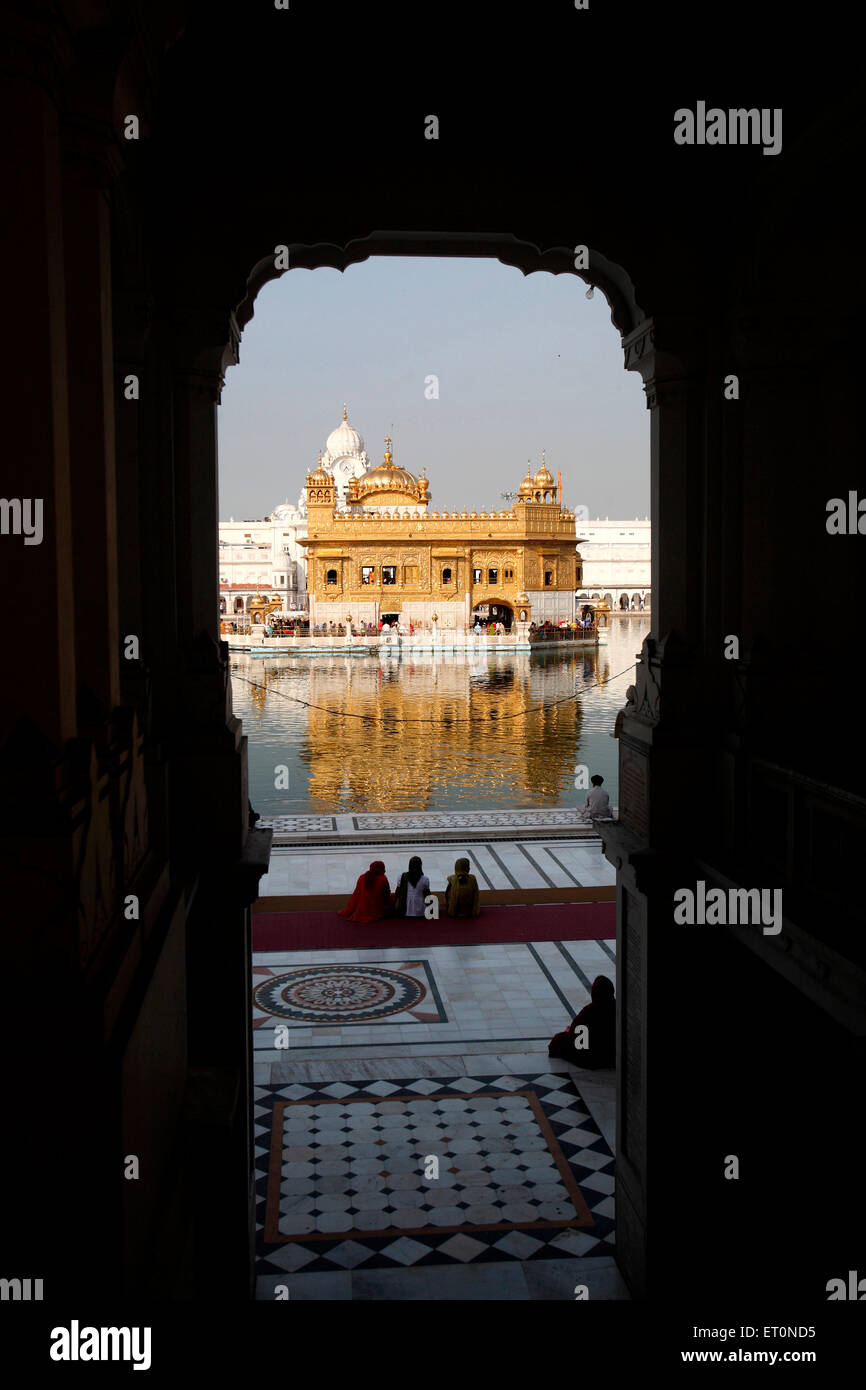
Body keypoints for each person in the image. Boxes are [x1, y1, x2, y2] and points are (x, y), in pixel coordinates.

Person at [548, 975, 615, 1067]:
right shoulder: (616, 1008)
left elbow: (578, 1041)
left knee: (559, 1040)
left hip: (591, 1055)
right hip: (611, 1054)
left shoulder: (589, 1012)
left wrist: (569, 1033)